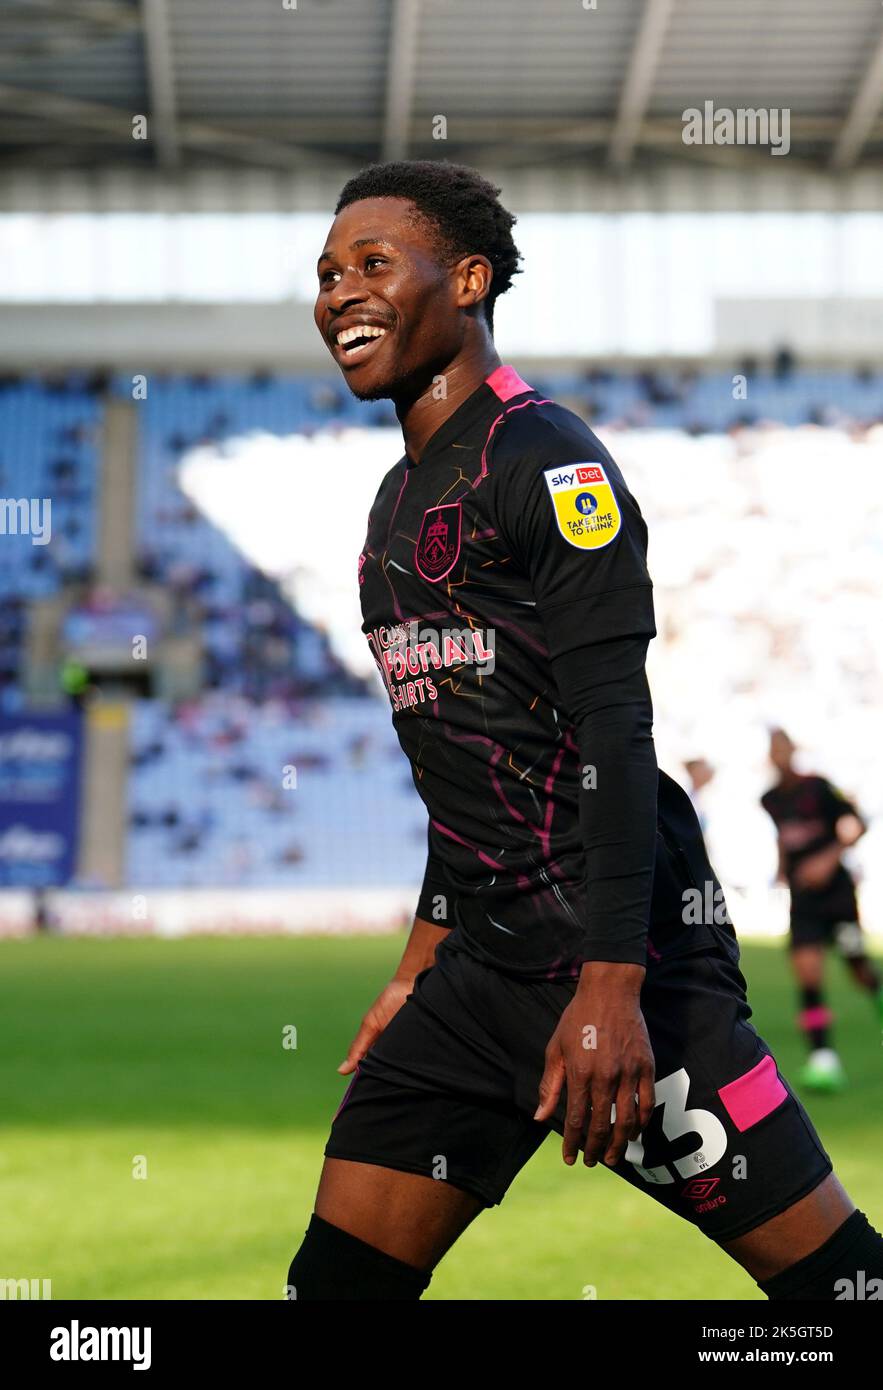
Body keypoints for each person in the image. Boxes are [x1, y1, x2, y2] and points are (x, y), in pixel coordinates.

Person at [287, 160, 883, 1301]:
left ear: (467, 280)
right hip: (477, 977)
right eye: (325, 273)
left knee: (835, 1289)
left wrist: (608, 991)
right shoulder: (392, 507)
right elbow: (464, 770)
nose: (338, 293)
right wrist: (419, 969)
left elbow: (615, 727)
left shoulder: (547, 461)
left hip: (622, 964)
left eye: (372, 263)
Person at [761, 727, 883, 1091]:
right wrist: (782, 870)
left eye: (783, 747)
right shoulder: (769, 799)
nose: (779, 754)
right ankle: (823, 1058)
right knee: (808, 974)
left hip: (838, 898)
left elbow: (856, 824)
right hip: (804, 901)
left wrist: (828, 860)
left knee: (858, 968)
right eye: (773, 749)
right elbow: (782, 837)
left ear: (793, 750)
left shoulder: (819, 788)